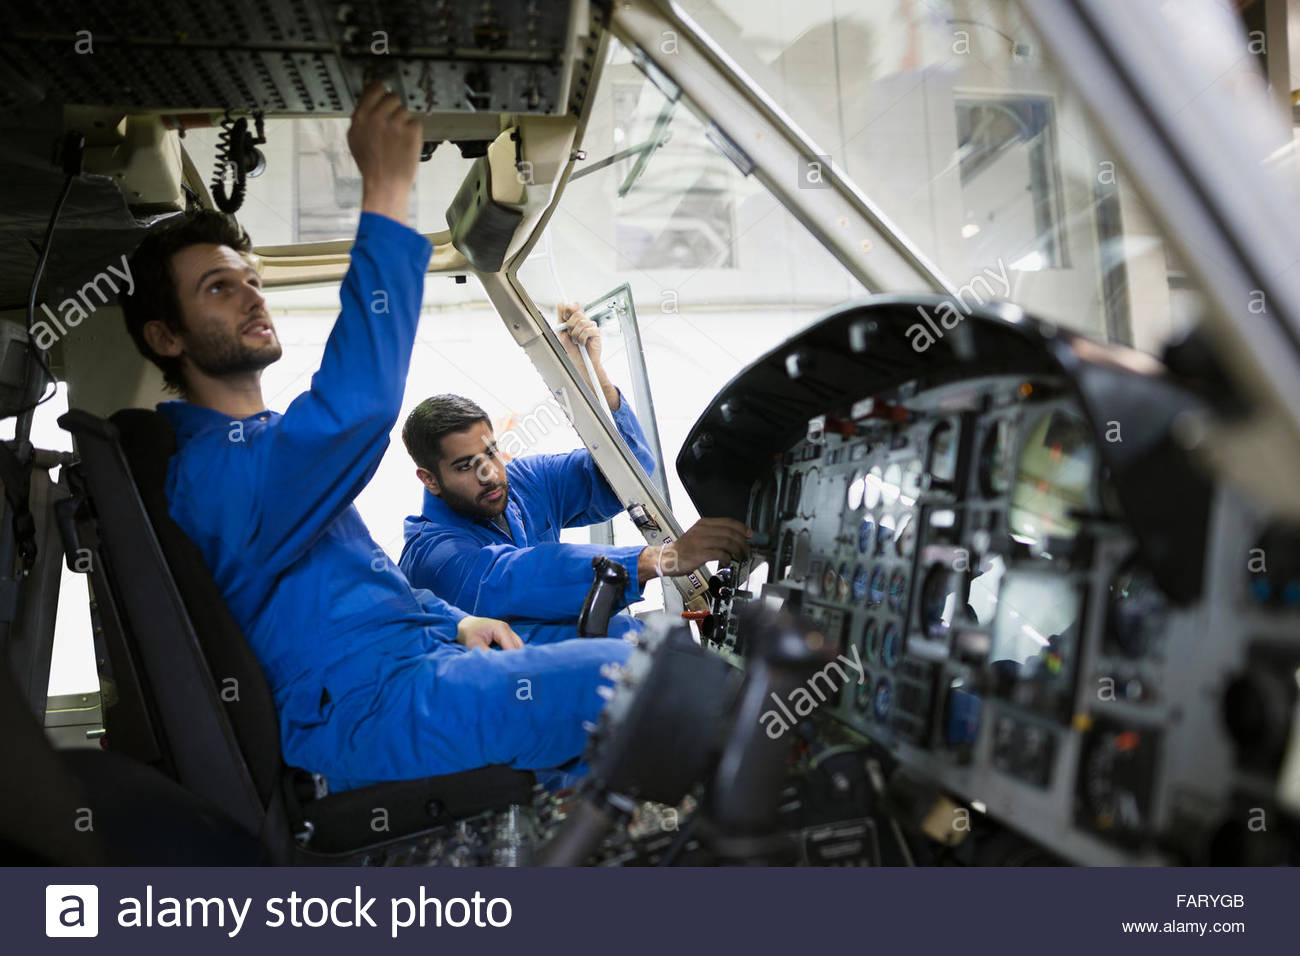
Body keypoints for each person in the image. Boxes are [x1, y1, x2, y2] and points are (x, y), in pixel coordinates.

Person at [118, 82, 630, 792]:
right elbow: (357, 408)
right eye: (217, 288)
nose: (252, 295)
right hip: (364, 708)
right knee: (626, 679)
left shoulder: (264, 449)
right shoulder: (215, 474)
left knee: (631, 663)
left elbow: (362, 588)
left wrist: (453, 622)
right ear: (165, 335)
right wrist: (388, 190)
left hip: (409, 665)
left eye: (249, 279)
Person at [399, 308, 753, 644]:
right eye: (464, 466)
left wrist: (590, 376)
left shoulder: (522, 483)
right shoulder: (433, 555)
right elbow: (519, 577)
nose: (489, 474)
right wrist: (656, 559)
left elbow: (629, 474)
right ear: (429, 479)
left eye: (490, 452)